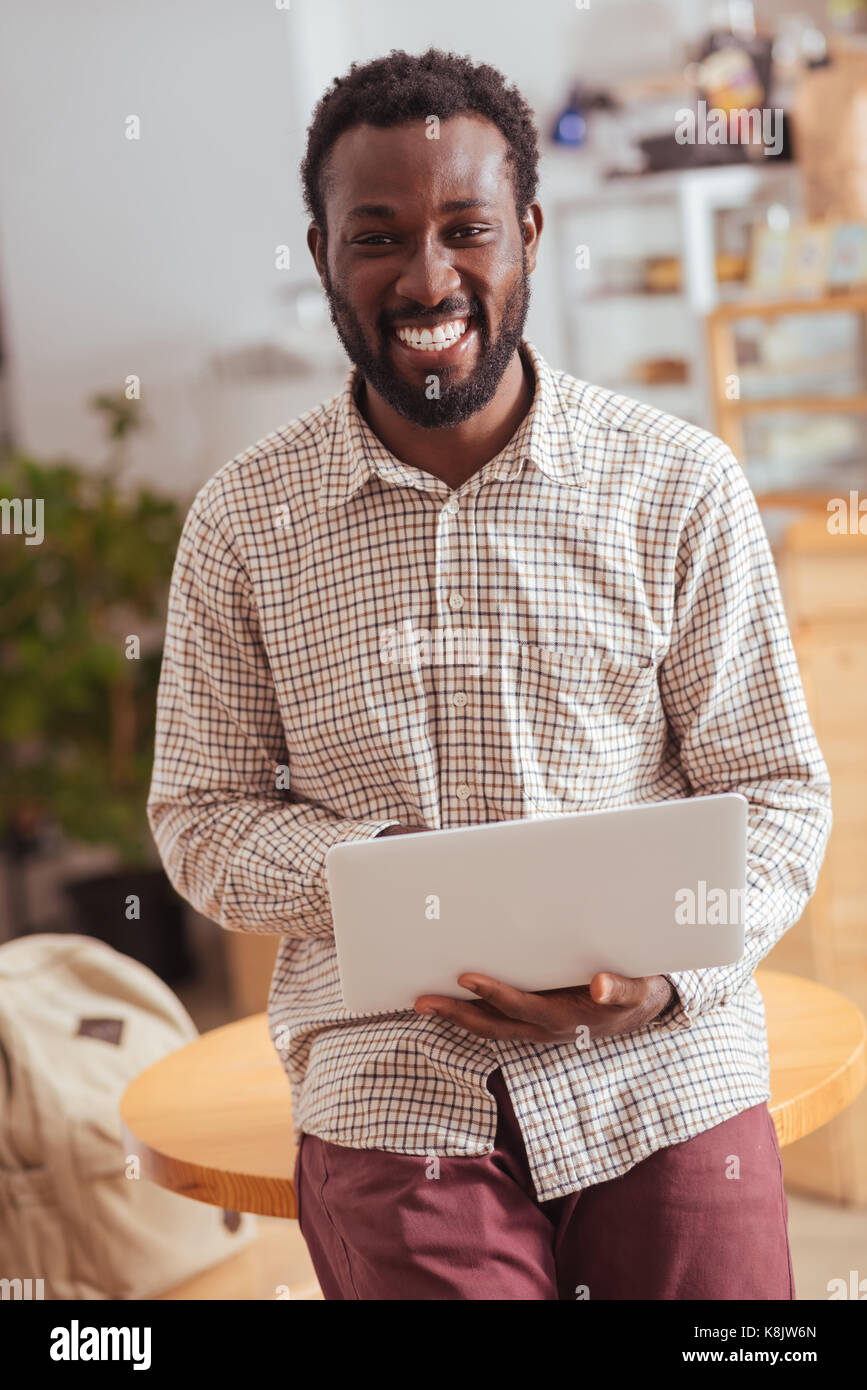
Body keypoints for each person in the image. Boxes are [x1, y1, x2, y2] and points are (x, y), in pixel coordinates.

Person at [147, 49, 831, 1300]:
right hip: (390, 1070)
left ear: (526, 233)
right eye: (379, 235)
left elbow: (781, 792)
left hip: (662, 1062)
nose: (426, 278)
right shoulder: (245, 523)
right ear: (320, 253)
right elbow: (198, 817)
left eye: (466, 228)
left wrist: (669, 975)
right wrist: (389, 879)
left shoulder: (679, 485)